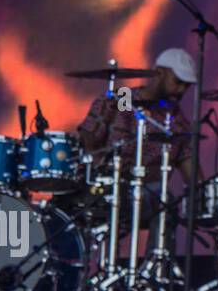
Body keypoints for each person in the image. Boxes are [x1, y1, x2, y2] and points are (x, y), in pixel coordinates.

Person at [76, 48, 197, 247]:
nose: (181, 90)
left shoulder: (177, 120)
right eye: (178, 82)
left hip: (146, 194)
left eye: (187, 86)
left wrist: (204, 193)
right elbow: (88, 137)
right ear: (160, 73)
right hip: (106, 187)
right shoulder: (124, 99)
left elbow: (190, 169)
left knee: (167, 202)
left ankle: (156, 270)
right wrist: (100, 164)